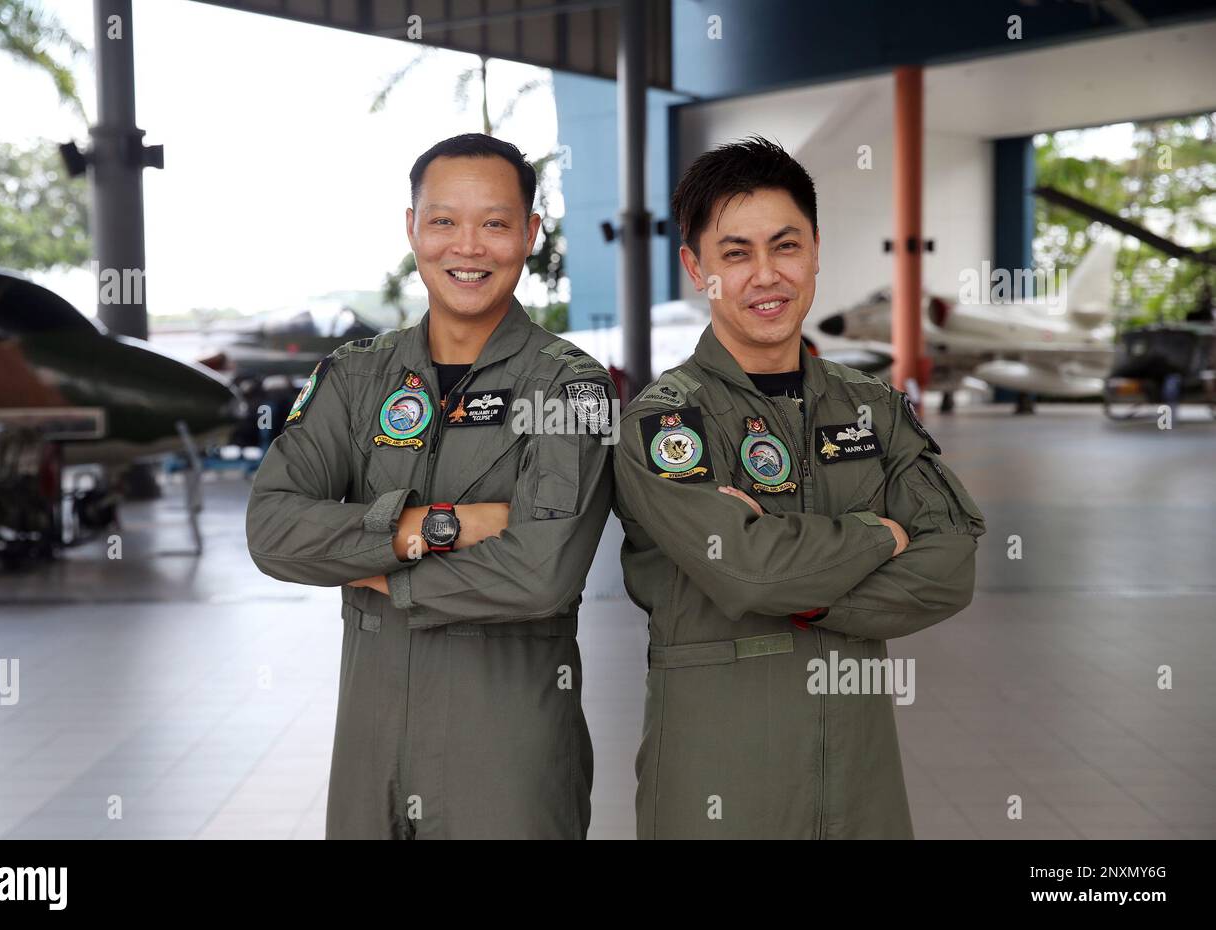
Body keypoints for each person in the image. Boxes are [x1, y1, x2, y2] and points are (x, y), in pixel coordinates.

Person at [612, 136, 986, 839]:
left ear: (815, 249)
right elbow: (747, 573)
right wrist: (880, 535)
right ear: (698, 268)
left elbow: (951, 568)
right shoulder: (665, 422)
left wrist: (798, 583)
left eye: (785, 246)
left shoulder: (871, 407)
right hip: (718, 784)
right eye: (735, 253)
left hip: (861, 784)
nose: (766, 275)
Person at [246, 133, 615, 839]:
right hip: (370, 751)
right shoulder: (354, 379)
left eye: (496, 223)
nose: (467, 247)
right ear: (412, 227)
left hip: (508, 758)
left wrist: (379, 570)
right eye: (444, 220)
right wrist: (432, 527)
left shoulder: (572, 388)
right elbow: (272, 530)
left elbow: (544, 572)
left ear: (531, 235)